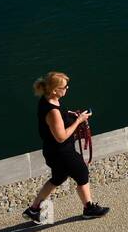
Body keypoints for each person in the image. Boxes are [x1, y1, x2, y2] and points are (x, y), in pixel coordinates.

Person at [23, 71, 110, 222]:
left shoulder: (48, 99)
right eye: (64, 87)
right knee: (82, 172)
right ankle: (88, 208)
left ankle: (34, 209)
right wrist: (79, 121)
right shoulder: (52, 111)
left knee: (58, 177)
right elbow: (61, 136)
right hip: (61, 152)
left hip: (52, 151)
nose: (67, 89)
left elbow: (57, 123)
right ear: (55, 90)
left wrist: (69, 116)